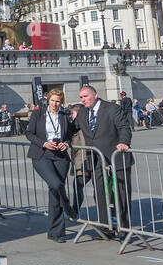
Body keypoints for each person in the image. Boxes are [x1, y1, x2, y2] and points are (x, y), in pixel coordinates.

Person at [75, 85, 134, 235]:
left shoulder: (112, 108)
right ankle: (105, 225)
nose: (83, 100)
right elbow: (71, 129)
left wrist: (124, 142)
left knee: (121, 193)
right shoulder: (82, 112)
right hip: (96, 159)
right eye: (81, 97)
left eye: (85, 96)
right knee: (100, 191)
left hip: (117, 156)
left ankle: (123, 228)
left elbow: (124, 127)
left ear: (95, 95)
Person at [25, 89, 79, 241]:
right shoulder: (38, 114)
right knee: (56, 184)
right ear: (48, 100)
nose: (55, 104)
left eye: (58, 101)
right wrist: (44, 143)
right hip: (42, 154)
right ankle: (68, 207)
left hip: (60, 156)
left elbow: (69, 136)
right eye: (53, 101)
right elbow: (29, 134)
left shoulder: (64, 116)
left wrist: (66, 144)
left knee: (55, 193)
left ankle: (56, 233)